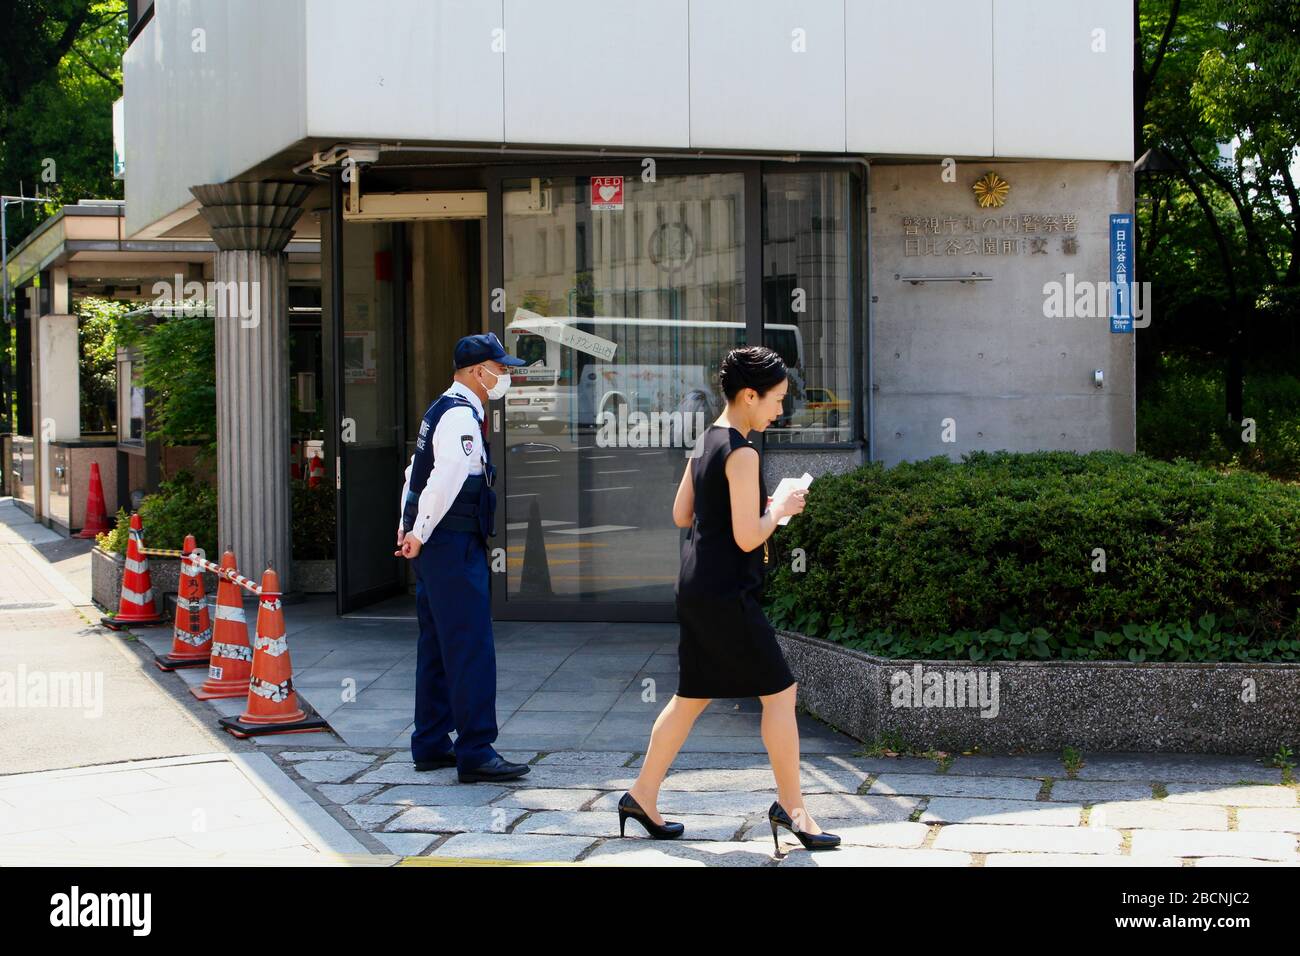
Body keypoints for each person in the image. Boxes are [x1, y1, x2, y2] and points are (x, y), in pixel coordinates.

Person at [619, 345, 840, 852]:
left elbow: (682, 514)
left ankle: (642, 796)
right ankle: (794, 809)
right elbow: (746, 538)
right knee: (780, 693)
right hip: (726, 592)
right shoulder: (742, 450)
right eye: (777, 400)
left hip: (696, 585)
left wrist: (750, 507)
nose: (781, 410)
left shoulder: (705, 440)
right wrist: (780, 507)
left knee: (691, 697)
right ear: (748, 395)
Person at [395, 331, 531, 783]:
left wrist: (408, 526)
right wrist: (418, 531)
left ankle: (431, 741)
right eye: (501, 369)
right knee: (471, 644)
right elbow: (448, 475)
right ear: (478, 372)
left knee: (436, 644)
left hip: (437, 544)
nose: (505, 376)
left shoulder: (441, 410)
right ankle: (475, 749)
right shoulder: (460, 418)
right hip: (451, 545)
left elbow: (415, 472)